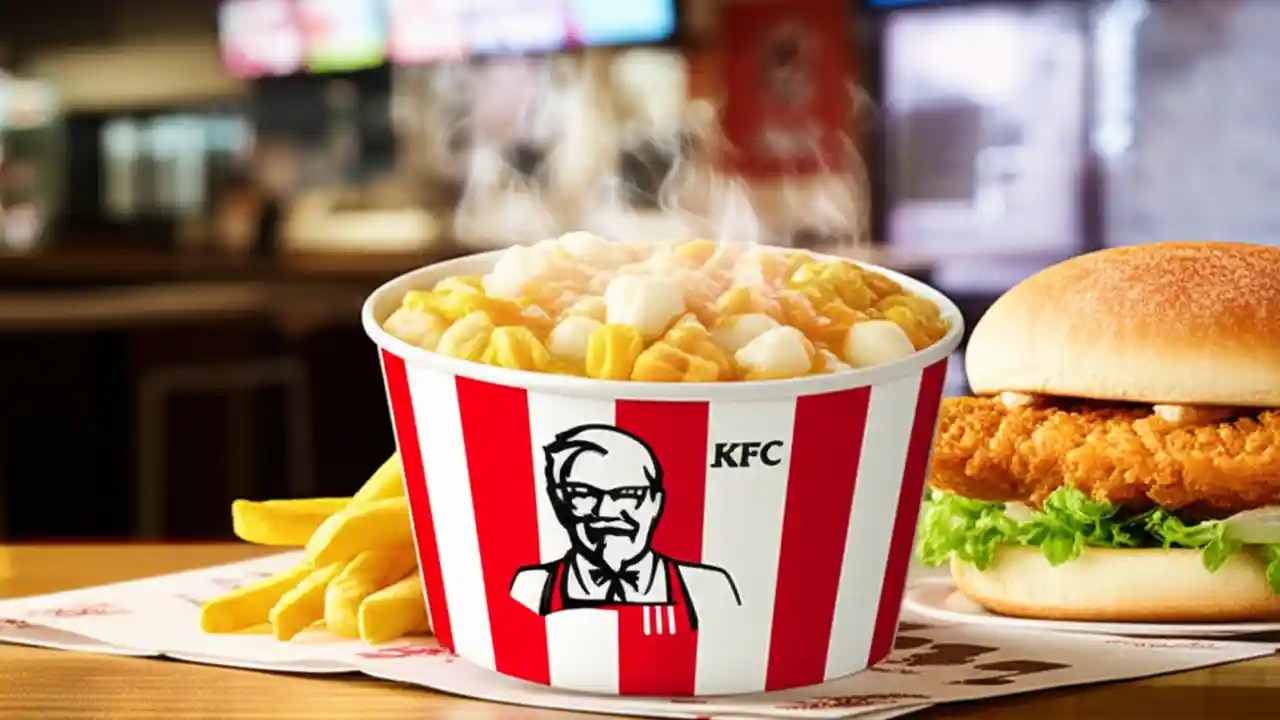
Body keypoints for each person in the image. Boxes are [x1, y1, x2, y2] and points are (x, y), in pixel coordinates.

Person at [510, 425, 740, 630]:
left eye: (628, 494)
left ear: (655, 503)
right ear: (558, 501)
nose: (606, 511)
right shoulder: (533, 586)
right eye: (583, 494)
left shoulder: (707, 586)